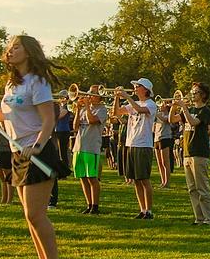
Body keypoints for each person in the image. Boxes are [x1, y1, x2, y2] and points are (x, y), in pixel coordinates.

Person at [0, 35, 71, 259]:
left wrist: (38, 145)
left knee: (36, 214)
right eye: (9, 47)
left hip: (37, 152)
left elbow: (48, 120)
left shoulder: (37, 82)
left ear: (29, 52)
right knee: (29, 216)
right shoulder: (12, 84)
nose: (10, 51)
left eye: (16, 47)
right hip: (18, 151)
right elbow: (7, 115)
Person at [171, 82, 210, 226]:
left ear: (203, 95)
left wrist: (183, 107)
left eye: (195, 92)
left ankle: (209, 219)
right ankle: (199, 218)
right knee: (192, 189)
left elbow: (193, 121)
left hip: (199, 153)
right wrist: (173, 107)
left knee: (202, 188)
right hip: (187, 152)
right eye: (192, 92)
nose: (192, 94)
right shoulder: (189, 109)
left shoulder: (205, 111)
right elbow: (172, 120)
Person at [114, 79, 157, 218]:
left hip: (143, 145)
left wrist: (126, 97)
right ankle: (142, 209)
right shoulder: (135, 103)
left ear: (145, 89)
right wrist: (116, 97)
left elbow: (139, 110)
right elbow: (117, 113)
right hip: (131, 143)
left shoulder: (151, 104)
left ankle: (149, 210)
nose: (134, 88)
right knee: (136, 180)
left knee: (144, 179)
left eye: (137, 86)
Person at [72, 87, 107, 214]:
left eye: (93, 93)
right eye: (89, 92)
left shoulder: (102, 109)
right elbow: (75, 127)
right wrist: (78, 110)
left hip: (91, 147)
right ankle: (89, 204)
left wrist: (87, 106)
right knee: (83, 177)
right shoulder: (84, 109)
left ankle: (95, 206)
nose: (89, 95)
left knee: (92, 178)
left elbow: (92, 121)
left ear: (100, 96)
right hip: (79, 146)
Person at [154, 100, 174, 189]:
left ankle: (167, 182)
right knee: (159, 162)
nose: (160, 104)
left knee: (165, 161)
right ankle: (163, 181)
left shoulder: (169, 115)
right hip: (156, 138)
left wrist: (155, 112)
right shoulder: (158, 113)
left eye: (162, 103)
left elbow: (165, 119)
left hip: (165, 137)